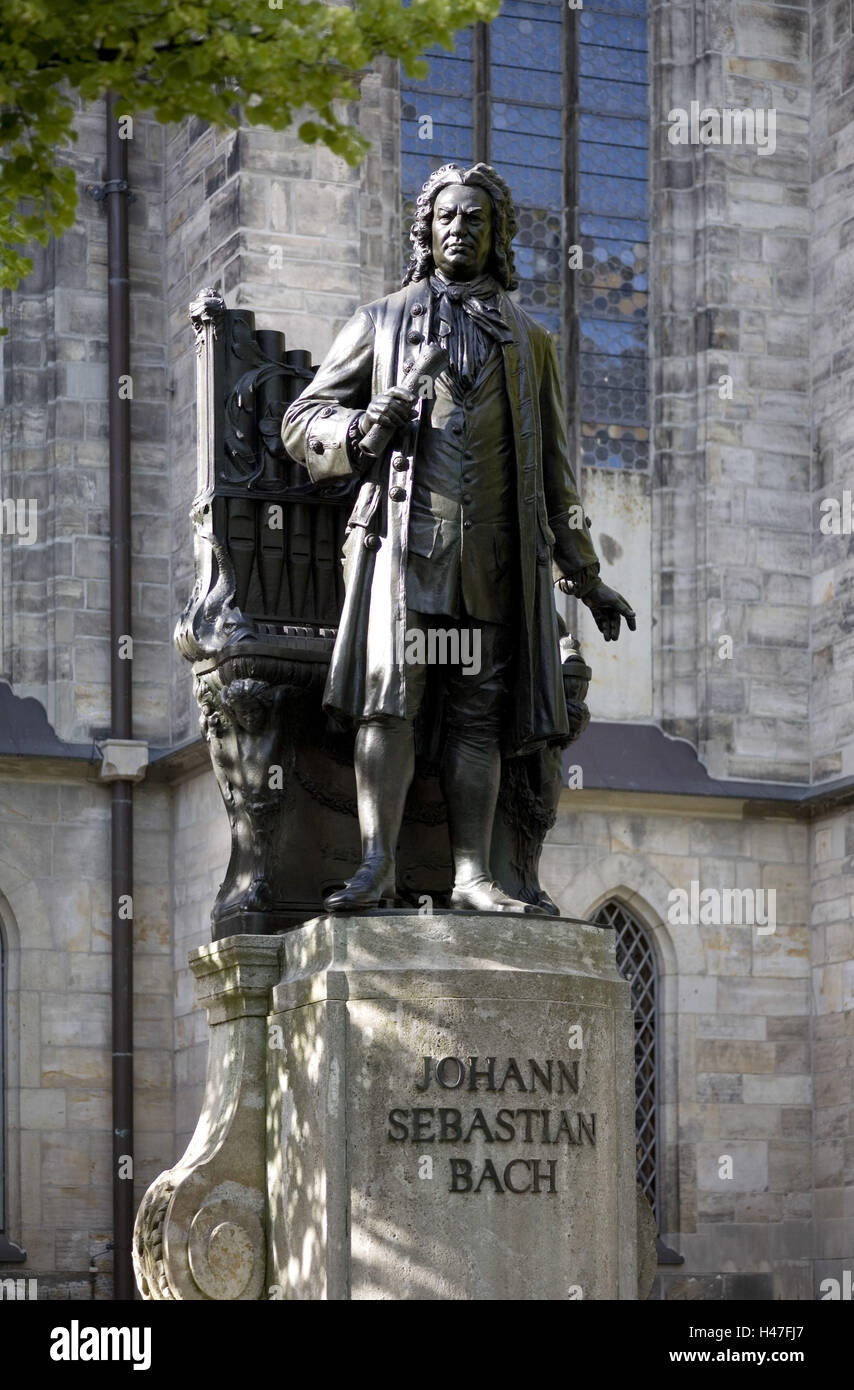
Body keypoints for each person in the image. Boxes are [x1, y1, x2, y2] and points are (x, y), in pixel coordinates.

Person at [282, 163, 635, 913]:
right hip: (404, 554)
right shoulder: (381, 321)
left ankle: (473, 875)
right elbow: (302, 420)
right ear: (426, 229)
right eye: (447, 218)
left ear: (497, 234)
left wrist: (584, 572)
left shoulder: (531, 344)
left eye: (476, 219)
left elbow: (557, 479)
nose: (460, 230)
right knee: (391, 700)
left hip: (494, 563)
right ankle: (376, 865)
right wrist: (359, 426)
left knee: (480, 713)